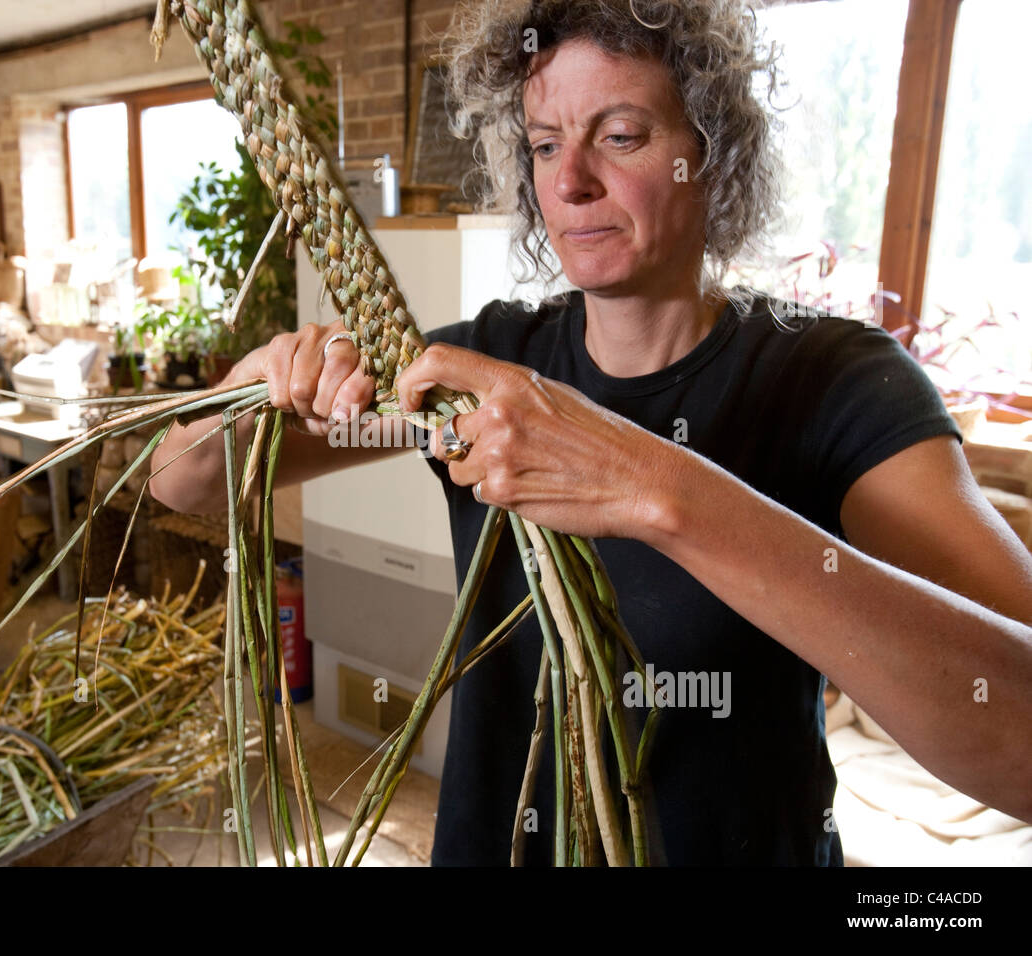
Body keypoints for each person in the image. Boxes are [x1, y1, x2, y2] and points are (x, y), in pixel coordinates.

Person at [149, 0, 1032, 865]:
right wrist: (258, 384)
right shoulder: (484, 365)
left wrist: (654, 488)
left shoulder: (834, 382)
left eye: (619, 135)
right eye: (543, 144)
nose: (568, 182)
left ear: (709, 155)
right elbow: (178, 481)